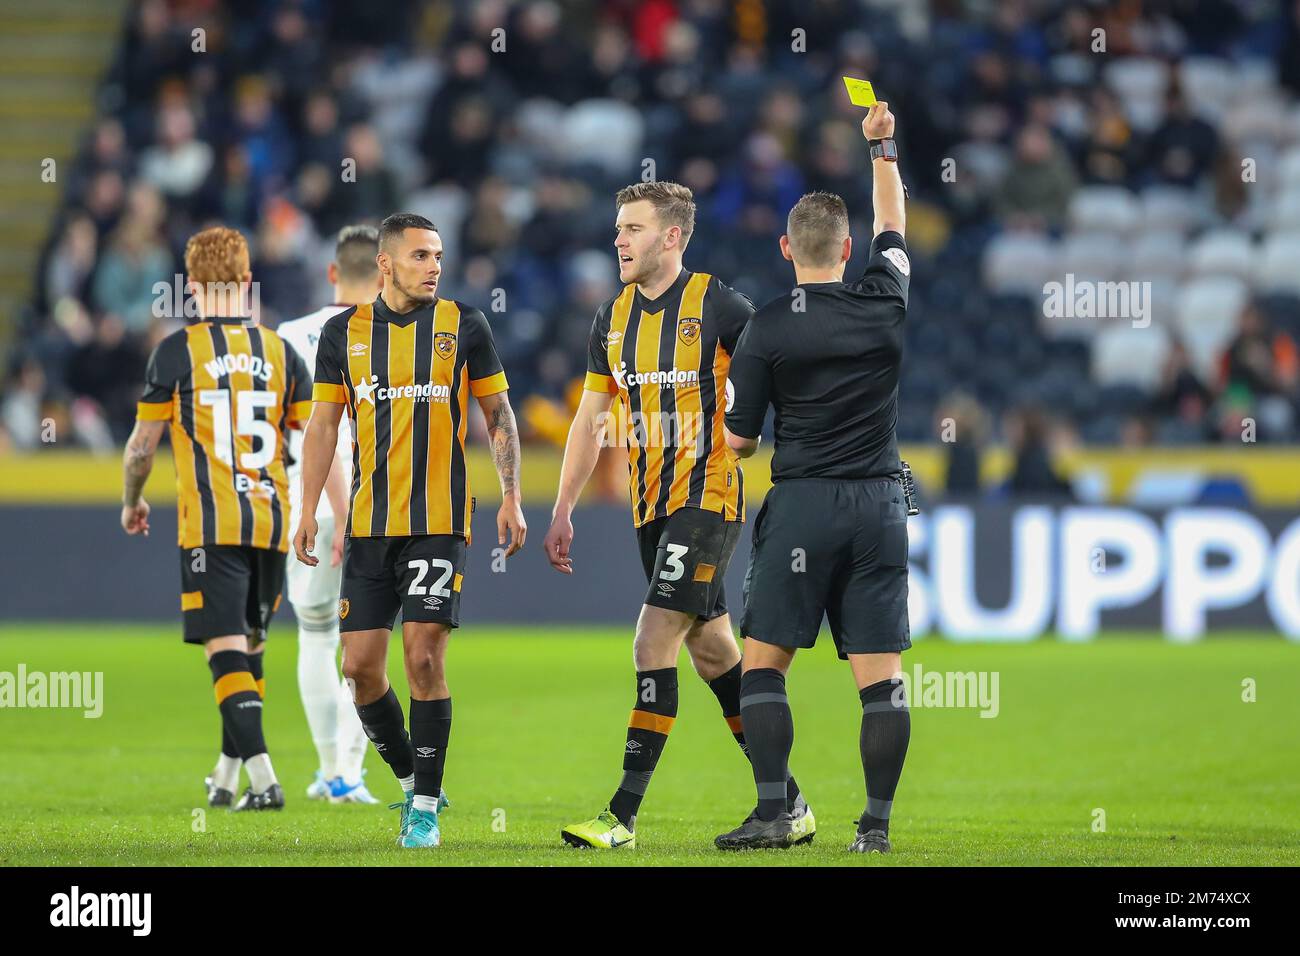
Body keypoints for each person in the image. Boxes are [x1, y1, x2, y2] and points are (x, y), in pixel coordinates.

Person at [542, 181, 813, 850]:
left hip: (708, 495)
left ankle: (622, 816)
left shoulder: (721, 307)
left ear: (672, 236)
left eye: (632, 228)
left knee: (651, 640)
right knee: (714, 651)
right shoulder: (612, 316)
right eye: (617, 229)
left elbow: (786, 379)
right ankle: (789, 804)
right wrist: (563, 507)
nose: (618, 240)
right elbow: (589, 417)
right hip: (650, 506)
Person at [293, 213, 525, 849]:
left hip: (440, 521)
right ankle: (412, 777)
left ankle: (423, 808)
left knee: (423, 655)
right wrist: (310, 507)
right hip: (369, 527)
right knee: (360, 669)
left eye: (439, 255)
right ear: (386, 263)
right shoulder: (344, 334)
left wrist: (511, 496)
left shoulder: (465, 325)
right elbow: (322, 427)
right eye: (422, 255)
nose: (434, 266)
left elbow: (498, 415)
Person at [717, 100, 912, 853]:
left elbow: (737, 442)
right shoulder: (884, 301)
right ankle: (876, 828)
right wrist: (882, 145)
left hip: (801, 505)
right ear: (848, 248)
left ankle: (775, 813)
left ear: (784, 249)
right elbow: (894, 224)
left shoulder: (768, 324)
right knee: (880, 677)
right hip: (877, 504)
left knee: (764, 663)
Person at [121, 226, 313, 811]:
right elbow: (311, 440)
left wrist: (132, 498)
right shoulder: (282, 353)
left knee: (224, 649)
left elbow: (141, 448)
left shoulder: (176, 352)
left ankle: (264, 779)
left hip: (211, 526)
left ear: (194, 287)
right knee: (249, 653)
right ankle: (227, 779)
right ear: (247, 281)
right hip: (273, 520)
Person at [277, 225, 382, 804]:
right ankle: (350, 770)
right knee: (366, 638)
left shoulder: (287, 337)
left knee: (315, 633)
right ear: (385, 271)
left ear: (332, 272)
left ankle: (327, 770)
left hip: (302, 497)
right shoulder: (392, 334)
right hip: (376, 498)